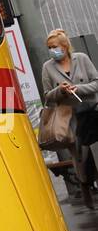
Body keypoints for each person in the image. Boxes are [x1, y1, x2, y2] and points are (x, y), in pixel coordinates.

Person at [41, 29, 98, 200]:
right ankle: (85, 184)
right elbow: (47, 96)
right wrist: (60, 91)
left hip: (90, 111)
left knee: (96, 149)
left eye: (55, 46)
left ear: (65, 46)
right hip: (69, 117)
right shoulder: (47, 67)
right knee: (80, 154)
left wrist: (78, 89)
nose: (53, 50)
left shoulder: (81, 58)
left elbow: (96, 83)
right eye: (50, 47)